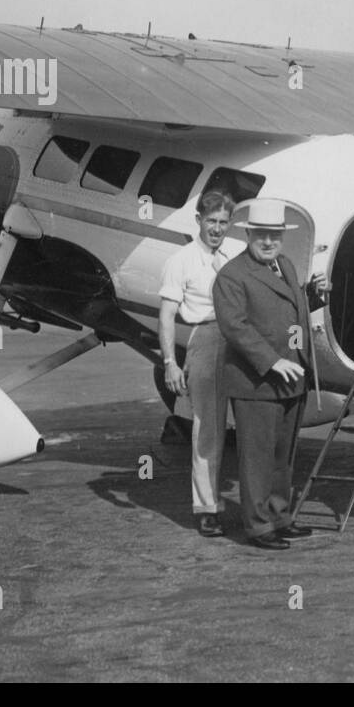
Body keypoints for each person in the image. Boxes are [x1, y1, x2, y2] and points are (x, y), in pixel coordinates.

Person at [213, 198, 329, 550]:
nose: (268, 242)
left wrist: (313, 295)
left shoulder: (286, 266)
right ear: (248, 234)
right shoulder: (231, 276)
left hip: (292, 377)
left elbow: (288, 307)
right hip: (257, 382)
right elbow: (235, 326)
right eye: (261, 235)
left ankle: (280, 516)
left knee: (283, 457)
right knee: (257, 459)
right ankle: (259, 526)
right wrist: (271, 361)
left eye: (274, 235)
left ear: (282, 237)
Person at [157, 190, 234, 538]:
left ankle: (261, 508)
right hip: (205, 339)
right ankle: (207, 509)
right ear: (199, 221)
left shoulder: (234, 256)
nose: (217, 229)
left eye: (223, 222)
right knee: (208, 428)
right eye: (211, 221)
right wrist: (170, 363)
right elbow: (167, 316)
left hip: (241, 340)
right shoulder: (181, 260)